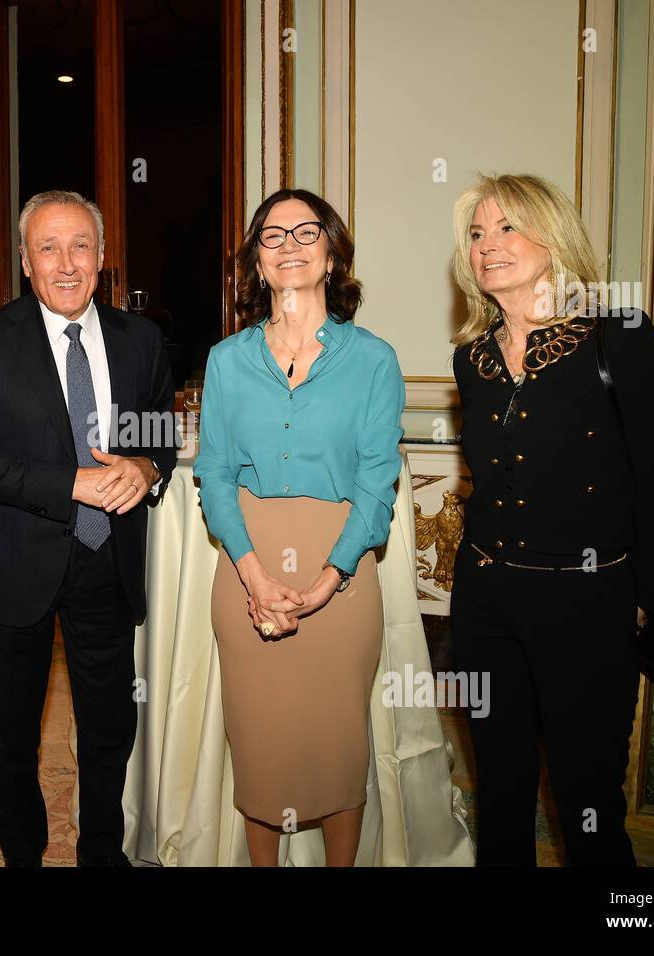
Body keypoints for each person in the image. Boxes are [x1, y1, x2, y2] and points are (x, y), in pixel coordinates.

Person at [448, 173, 654, 866]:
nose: (488, 245)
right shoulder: (471, 361)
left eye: (508, 227)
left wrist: (644, 598)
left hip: (588, 604)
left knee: (588, 806)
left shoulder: (617, 335)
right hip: (488, 604)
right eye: (476, 234)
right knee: (498, 794)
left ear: (553, 239)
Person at [0, 189, 177, 867]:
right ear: (24, 260)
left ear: (103, 257)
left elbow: (157, 437)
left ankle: (102, 853)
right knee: (10, 733)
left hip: (108, 560)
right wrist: (68, 484)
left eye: (80, 246)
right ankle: (23, 853)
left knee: (109, 726)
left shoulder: (142, 340)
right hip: (11, 564)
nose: (66, 263)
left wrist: (145, 467)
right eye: (48, 247)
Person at [194, 188, 405, 867]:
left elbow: (378, 483)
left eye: (304, 232)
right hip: (245, 562)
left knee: (338, 745)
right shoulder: (227, 360)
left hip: (341, 571)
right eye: (271, 236)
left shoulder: (374, 359)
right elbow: (215, 474)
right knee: (259, 744)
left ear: (331, 251)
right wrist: (251, 574)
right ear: (257, 263)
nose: (288, 245)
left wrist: (328, 580)